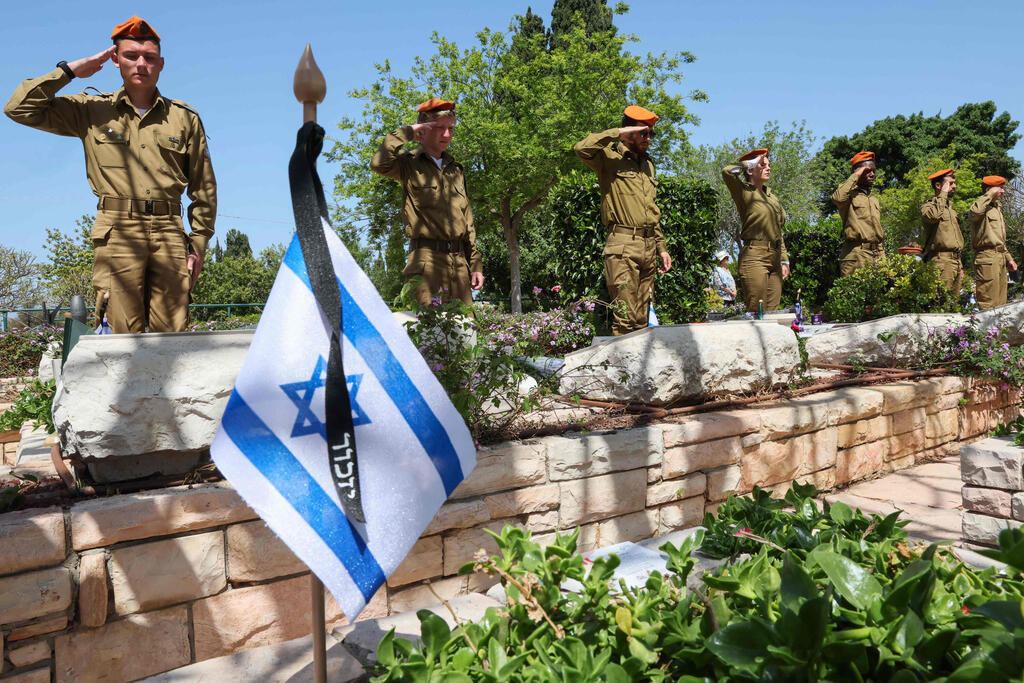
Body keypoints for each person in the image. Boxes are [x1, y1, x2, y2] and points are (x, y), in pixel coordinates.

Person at [5, 16, 216, 333]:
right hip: (116, 230)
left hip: (170, 233)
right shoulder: (90, 110)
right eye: (131, 55)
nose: (141, 64)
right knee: (120, 332)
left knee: (173, 336)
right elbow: (19, 108)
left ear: (161, 64)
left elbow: (204, 189)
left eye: (149, 58)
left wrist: (197, 245)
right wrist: (71, 71)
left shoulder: (184, 118)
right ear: (115, 59)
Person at [370, 97, 483, 307]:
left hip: (459, 264)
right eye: (440, 128)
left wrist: (475, 263)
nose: (447, 134)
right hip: (426, 262)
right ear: (423, 128)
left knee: (466, 333)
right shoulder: (408, 164)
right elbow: (379, 164)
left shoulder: (456, 169)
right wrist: (406, 133)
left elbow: (467, 220)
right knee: (427, 333)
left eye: (451, 128)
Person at [574, 105, 672, 335]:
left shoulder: (648, 164)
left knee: (643, 320)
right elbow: (580, 148)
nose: (649, 138)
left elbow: (650, 210)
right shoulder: (607, 157)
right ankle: (624, 371)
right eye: (643, 133)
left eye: (651, 133)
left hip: (648, 247)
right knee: (625, 320)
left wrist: (662, 248)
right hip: (623, 245)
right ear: (629, 132)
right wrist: (616, 132)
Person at [722, 149, 789, 312]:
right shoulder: (743, 191)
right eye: (763, 165)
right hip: (754, 256)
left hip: (775, 257)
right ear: (750, 170)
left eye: (769, 165)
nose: (768, 168)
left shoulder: (772, 196)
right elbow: (727, 171)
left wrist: (784, 259)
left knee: (772, 313)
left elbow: (778, 231)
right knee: (757, 310)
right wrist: (748, 163)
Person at [970, 175, 1017, 309]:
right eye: (1000, 188)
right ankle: (986, 330)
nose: (1003, 191)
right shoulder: (980, 207)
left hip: (1000, 258)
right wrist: (989, 194)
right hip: (987, 258)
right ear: (989, 189)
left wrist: (1009, 259)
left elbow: (999, 241)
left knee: (1001, 304)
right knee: (988, 303)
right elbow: (975, 211)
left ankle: (998, 330)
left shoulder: (997, 209)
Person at [833, 151, 883, 276]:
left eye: (873, 171)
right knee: (855, 294)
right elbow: (838, 197)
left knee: (880, 294)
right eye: (867, 171)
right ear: (857, 172)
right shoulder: (848, 195)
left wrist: (882, 255)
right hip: (856, 254)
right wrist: (856, 175)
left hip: (878, 253)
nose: (872, 174)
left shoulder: (873, 198)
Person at [920, 169, 965, 294]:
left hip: (956, 261)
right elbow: (933, 216)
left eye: (954, 183)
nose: (954, 186)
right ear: (938, 185)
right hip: (941, 261)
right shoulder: (928, 206)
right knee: (940, 302)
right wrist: (943, 194)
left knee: (953, 305)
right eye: (950, 183)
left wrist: (960, 265)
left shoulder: (950, 209)